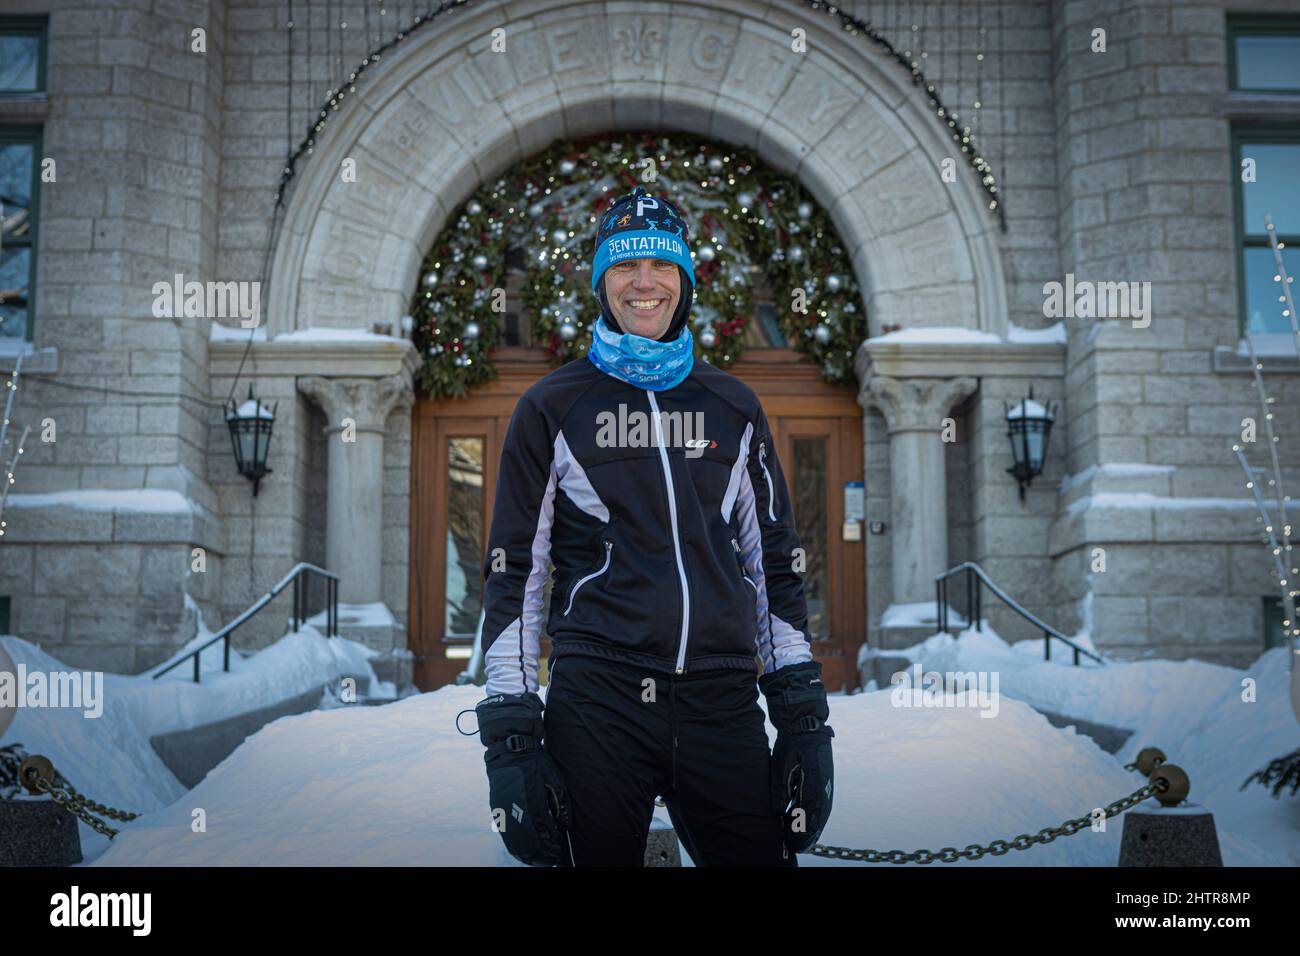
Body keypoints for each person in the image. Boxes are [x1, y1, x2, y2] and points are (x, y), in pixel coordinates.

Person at [472, 186, 834, 867]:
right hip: (598, 700)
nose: (645, 283)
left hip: (720, 698)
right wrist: (512, 734)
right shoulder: (551, 406)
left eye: (662, 266)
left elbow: (774, 563)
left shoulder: (733, 405)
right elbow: (516, 570)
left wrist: (802, 715)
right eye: (624, 266)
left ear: (684, 281)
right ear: (602, 282)